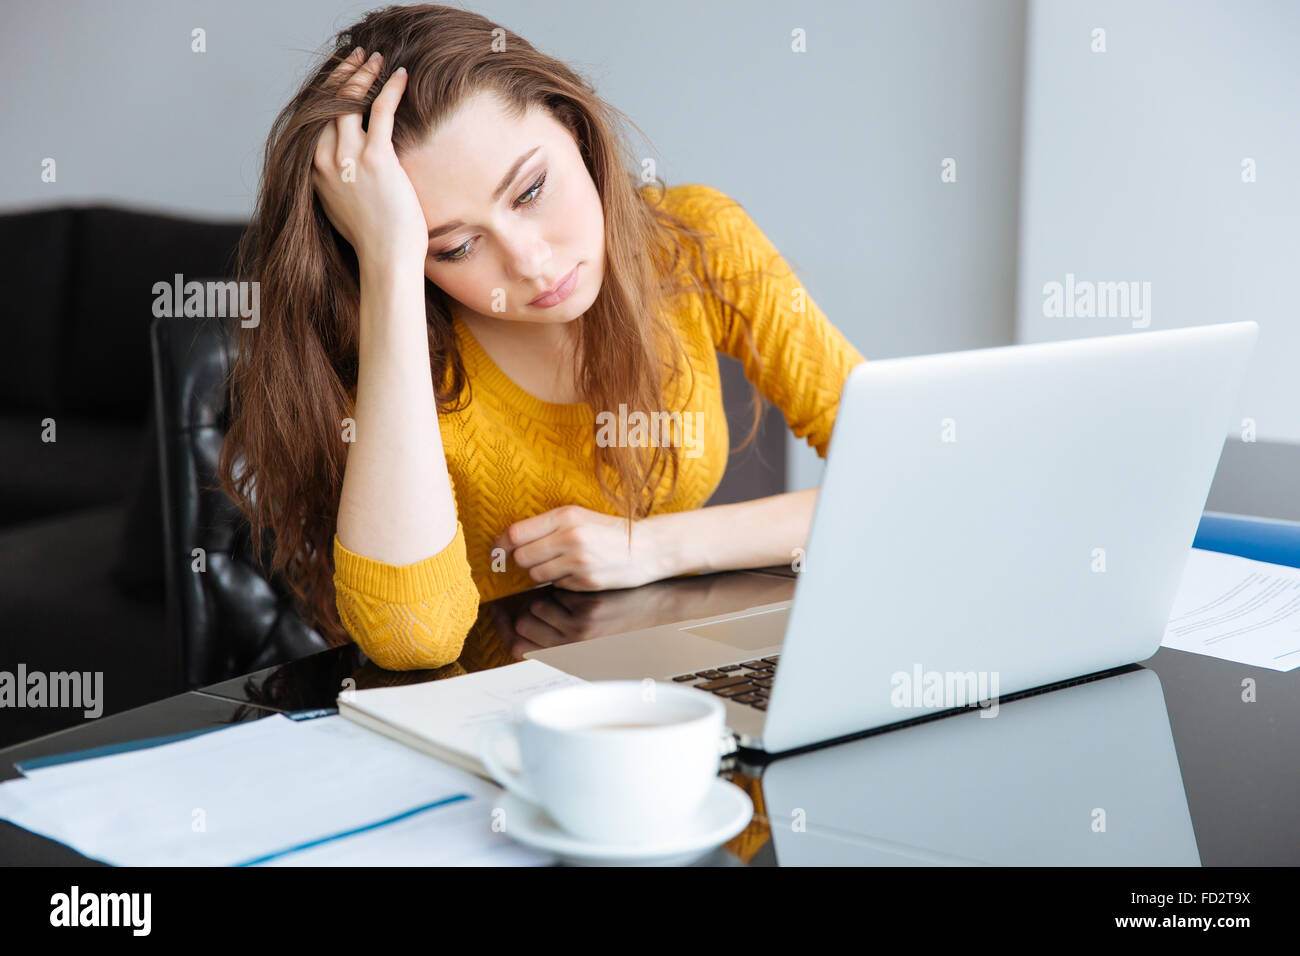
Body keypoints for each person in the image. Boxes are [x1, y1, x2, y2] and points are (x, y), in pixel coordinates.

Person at [217, 4, 865, 671]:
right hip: (483, 732)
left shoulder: (695, 246)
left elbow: (906, 480)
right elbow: (412, 639)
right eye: (457, 246)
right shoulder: (386, 354)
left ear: (575, 128)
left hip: (661, 697)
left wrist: (655, 545)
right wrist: (390, 266)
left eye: (529, 191)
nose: (529, 261)